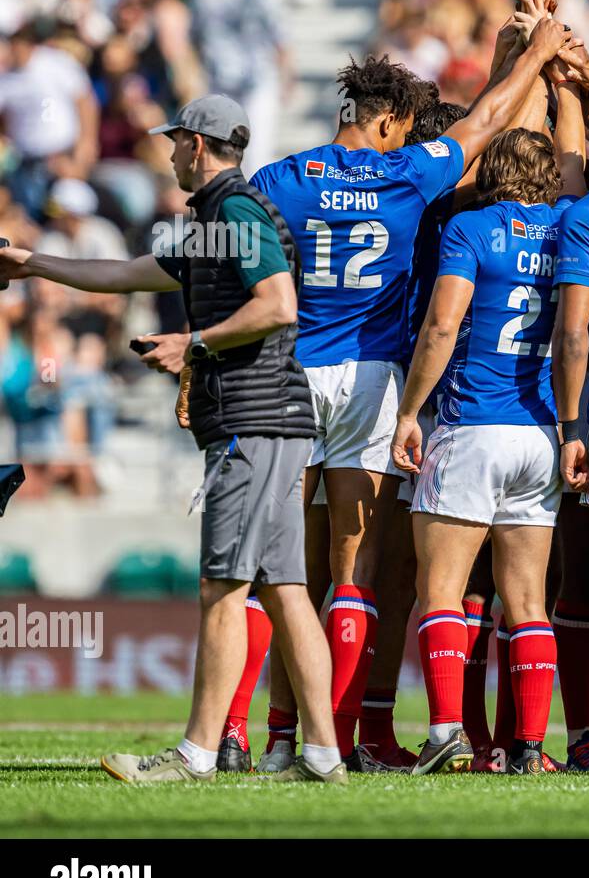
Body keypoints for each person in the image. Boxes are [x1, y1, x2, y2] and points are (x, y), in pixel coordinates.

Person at [244, 14, 576, 770]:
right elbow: (491, 121)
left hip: (291, 374)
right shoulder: (408, 178)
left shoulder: (282, 178)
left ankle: (265, 736)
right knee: (357, 572)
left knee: (278, 566)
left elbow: (232, 256)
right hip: (373, 377)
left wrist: (203, 358)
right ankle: (335, 740)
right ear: (389, 123)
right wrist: (536, 54)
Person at [0, 94, 343, 784]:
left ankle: (195, 753)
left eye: (173, 141)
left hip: (252, 420)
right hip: (274, 420)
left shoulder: (235, 211)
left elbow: (277, 304)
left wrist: (192, 343)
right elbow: (126, 273)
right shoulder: (216, 220)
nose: (166, 152)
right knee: (284, 589)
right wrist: (32, 262)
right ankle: (323, 754)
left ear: (196, 143)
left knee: (222, 586)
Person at [392, 66, 586, 775]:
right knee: (528, 598)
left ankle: (448, 731)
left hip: (472, 422)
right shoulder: (571, 225)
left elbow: (443, 325)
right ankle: (530, 747)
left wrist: (411, 409)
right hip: (542, 430)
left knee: (441, 589)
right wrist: (559, 85)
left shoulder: (471, 226)